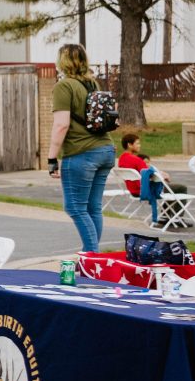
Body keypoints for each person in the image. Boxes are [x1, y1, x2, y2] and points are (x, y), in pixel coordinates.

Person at [48, 42, 120, 252]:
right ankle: (92, 255)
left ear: (62, 62)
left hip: (82, 153)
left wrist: (52, 159)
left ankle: (92, 256)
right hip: (105, 149)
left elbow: (61, 125)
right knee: (92, 208)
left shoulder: (64, 86)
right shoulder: (92, 84)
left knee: (75, 208)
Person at [117, 130, 167, 212]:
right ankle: (169, 218)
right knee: (178, 188)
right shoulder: (137, 160)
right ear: (129, 145)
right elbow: (152, 176)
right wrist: (163, 176)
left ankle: (166, 217)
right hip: (143, 191)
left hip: (132, 191)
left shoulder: (121, 159)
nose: (139, 146)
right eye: (137, 143)